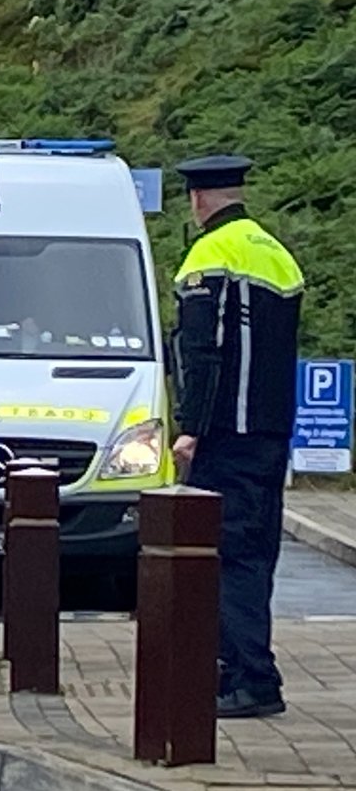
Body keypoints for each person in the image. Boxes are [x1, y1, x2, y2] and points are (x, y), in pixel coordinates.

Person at [168, 154, 304, 720]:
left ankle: (251, 680)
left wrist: (191, 428)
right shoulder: (276, 254)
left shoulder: (210, 255)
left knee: (228, 558)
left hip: (227, 435)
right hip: (271, 433)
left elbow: (202, 351)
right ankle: (237, 672)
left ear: (199, 200)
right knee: (256, 554)